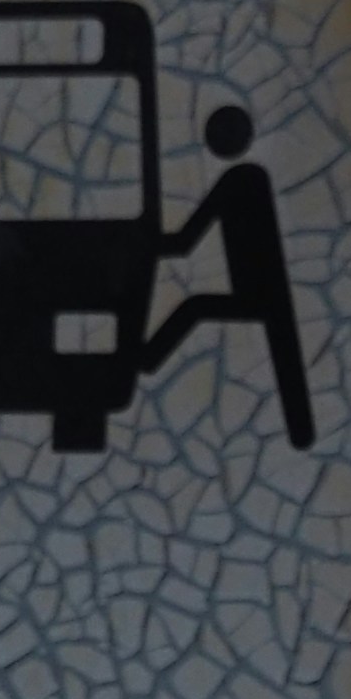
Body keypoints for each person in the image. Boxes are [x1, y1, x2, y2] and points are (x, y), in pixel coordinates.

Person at [144, 104, 315, 446]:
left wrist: (147, 244)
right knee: (287, 367)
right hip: (267, 290)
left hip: (260, 291)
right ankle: (302, 434)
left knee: (196, 308)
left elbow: (187, 239)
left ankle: (144, 360)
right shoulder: (250, 177)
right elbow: (187, 240)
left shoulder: (240, 179)